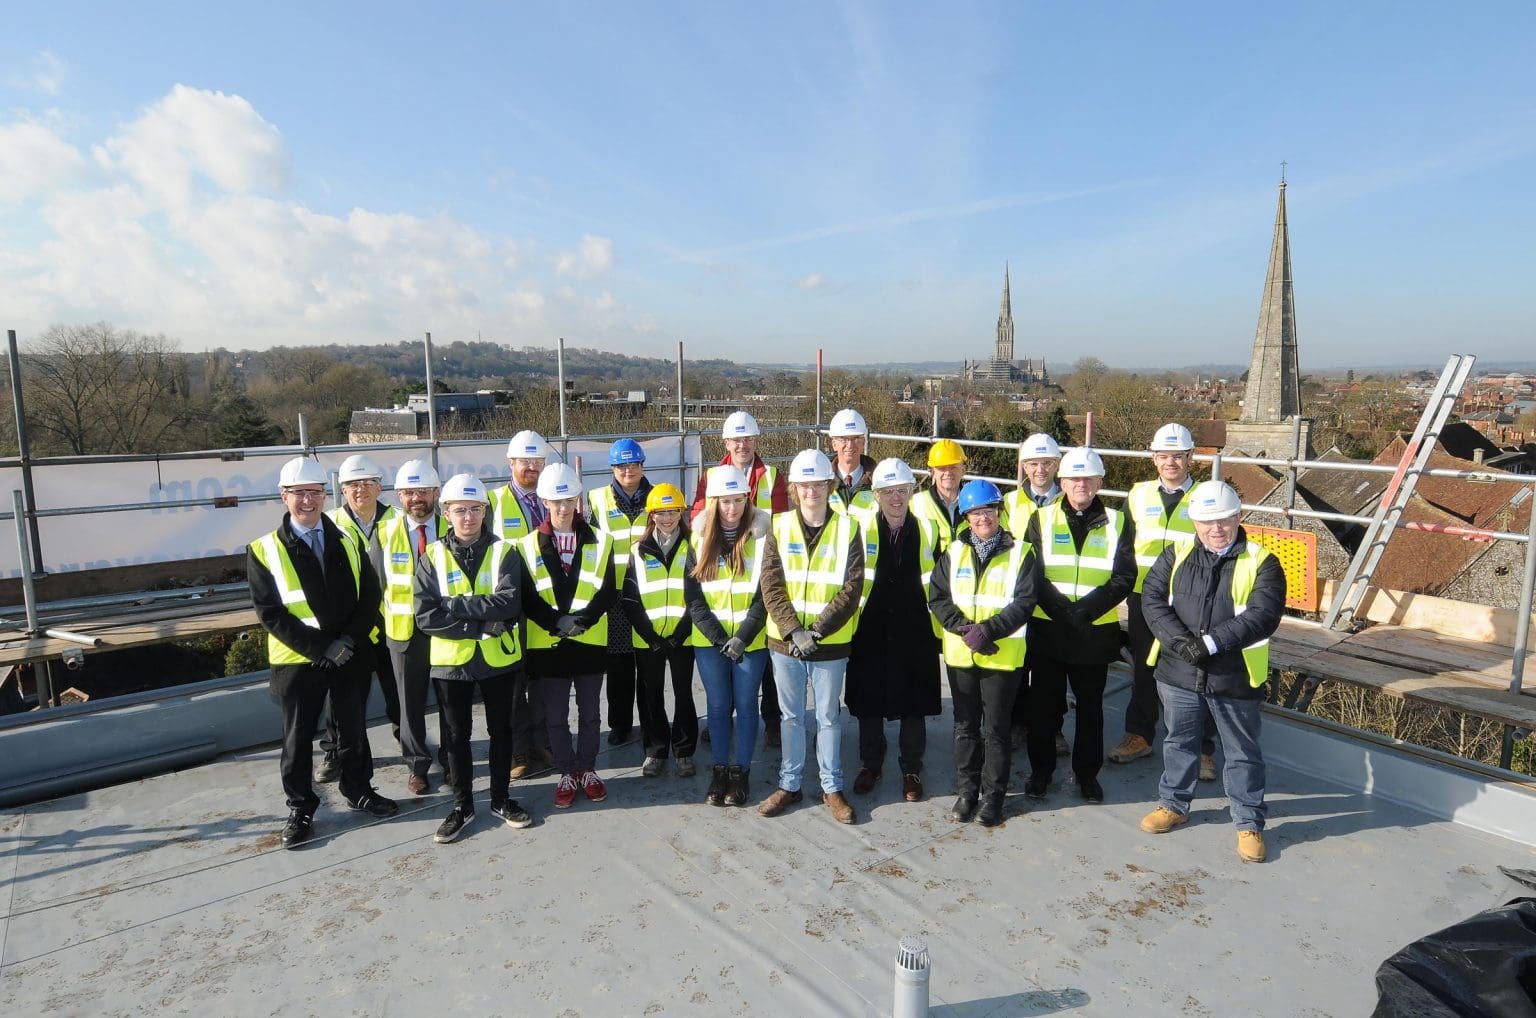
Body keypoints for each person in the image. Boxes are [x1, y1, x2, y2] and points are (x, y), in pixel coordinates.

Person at [248, 456, 397, 848]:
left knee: (353, 729)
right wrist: (323, 647)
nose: (308, 501)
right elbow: (271, 614)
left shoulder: (345, 540)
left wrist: (348, 639)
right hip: (299, 661)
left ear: (324, 495)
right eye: (299, 494)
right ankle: (300, 808)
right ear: (284, 496)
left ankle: (358, 789)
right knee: (297, 740)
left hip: (349, 655)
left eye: (315, 493)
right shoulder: (263, 550)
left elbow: (370, 595)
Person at [1138, 481, 1285, 863]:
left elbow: (1263, 616)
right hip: (1179, 672)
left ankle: (1249, 822)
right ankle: (1173, 804)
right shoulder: (1177, 553)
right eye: (1207, 521)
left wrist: (1210, 644)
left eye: (1223, 519)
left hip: (1233, 676)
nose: (1215, 528)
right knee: (1178, 742)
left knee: (1242, 752)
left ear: (1238, 516)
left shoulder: (1261, 561)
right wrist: (1179, 642)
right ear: (1195, 522)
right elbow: (1152, 599)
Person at [413, 473, 533, 843]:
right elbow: (425, 614)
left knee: (501, 732)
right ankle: (462, 805)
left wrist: (455, 604)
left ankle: (501, 798)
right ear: (446, 513)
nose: (468, 517)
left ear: (485, 511)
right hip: (452, 662)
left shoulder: (504, 552)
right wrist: (479, 628)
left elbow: (509, 601)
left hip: (498, 660)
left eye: (475, 509)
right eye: (460, 510)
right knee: (455, 737)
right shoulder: (432, 555)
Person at [1021, 447, 1136, 805]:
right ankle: (1040, 773)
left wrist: (1085, 611)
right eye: (1073, 478)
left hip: (1093, 632)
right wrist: (1062, 611)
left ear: (1100, 482)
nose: (1080, 484)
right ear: (1062, 481)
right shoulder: (1041, 519)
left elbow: (1124, 576)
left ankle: (1087, 775)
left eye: (1088, 478)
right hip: (1048, 630)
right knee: (1042, 709)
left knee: (1091, 710)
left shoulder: (1118, 522)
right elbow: (1031, 574)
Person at [756, 449, 864, 824]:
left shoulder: (849, 527)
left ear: (829, 486)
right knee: (790, 717)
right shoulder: (779, 526)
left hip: (829, 643)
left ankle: (831, 787)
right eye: (805, 485)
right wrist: (793, 630)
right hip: (785, 643)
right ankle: (790, 783)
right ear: (795, 488)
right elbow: (770, 582)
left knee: (829, 718)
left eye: (818, 484)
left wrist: (816, 631)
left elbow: (852, 587)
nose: (812, 492)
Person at [1109, 423, 1217, 781]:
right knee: (1143, 667)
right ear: (1153, 458)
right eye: (1164, 455)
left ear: (1191, 458)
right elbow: (1124, 546)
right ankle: (1140, 736)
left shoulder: (1206, 495)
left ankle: (1201, 749)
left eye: (1178, 455)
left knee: (1195, 670)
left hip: (1192, 600)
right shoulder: (1138, 495)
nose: (1171, 462)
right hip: (1145, 597)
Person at [928, 479, 1038, 828]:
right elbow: (938, 598)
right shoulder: (953, 552)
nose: (982, 518)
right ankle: (967, 793)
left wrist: (987, 631)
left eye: (988, 510)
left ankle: (993, 798)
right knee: (964, 727)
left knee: (996, 730)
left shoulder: (1022, 553)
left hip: (1001, 657)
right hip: (962, 656)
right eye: (975, 512)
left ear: (999, 512)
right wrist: (965, 630)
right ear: (965, 516)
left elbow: (1024, 602)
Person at [516, 463, 618, 810]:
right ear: (544, 501)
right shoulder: (526, 546)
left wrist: (583, 622)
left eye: (569, 500)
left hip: (588, 642)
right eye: (556, 501)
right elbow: (526, 596)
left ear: (578, 499)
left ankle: (586, 769)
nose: (563, 508)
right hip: (549, 645)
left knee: (590, 713)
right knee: (555, 716)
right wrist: (554, 623)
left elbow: (607, 591)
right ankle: (565, 771)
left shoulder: (602, 541)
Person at [690, 410, 789, 748]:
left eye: (748, 438)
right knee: (727, 672)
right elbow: (698, 515)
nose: (743, 444)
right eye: (736, 439)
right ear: (726, 442)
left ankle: (772, 721)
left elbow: (782, 519)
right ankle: (723, 718)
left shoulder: (771, 475)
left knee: (767, 657)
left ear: (756, 441)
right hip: (722, 559)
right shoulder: (711, 476)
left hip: (763, 562)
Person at [845, 458, 942, 803]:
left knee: (914, 701)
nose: (896, 498)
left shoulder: (929, 529)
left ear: (912, 492)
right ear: (876, 495)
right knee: (869, 699)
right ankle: (871, 764)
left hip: (916, 626)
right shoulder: (859, 528)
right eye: (888, 492)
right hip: (870, 626)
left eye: (902, 490)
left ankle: (911, 768)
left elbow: (942, 578)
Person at [685, 465, 771, 807]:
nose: (732, 508)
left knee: (748, 706)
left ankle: (741, 773)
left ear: (747, 500)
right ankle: (720, 770)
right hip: (710, 643)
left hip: (751, 641)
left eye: (738, 500)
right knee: (719, 707)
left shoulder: (763, 540)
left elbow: (766, 594)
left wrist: (743, 637)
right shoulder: (698, 540)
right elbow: (694, 598)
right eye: (725, 502)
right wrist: (722, 640)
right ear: (714, 503)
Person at [319, 454, 400, 782]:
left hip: (393, 622)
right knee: (341, 696)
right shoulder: (330, 522)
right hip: (352, 626)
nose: (361, 490)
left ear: (379, 487)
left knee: (399, 692)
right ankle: (334, 752)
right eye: (353, 484)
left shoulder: (399, 518)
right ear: (343, 489)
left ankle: (410, 746)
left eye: (367, 483)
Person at [379, 459, 452, 796]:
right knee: (409, 706)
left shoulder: (454, 529)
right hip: (404, 633)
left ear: (436, 493)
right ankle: (417, 767)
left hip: (446, 630)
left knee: (451, 701)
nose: (416, 498)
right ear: (399, 497)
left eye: (423, 490)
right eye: (409, 492)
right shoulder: (385, 533)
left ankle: (451, 761)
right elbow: (376, 584)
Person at [490, 429, 557, 779]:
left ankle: (542, 740)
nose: (531, 467)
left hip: (546, 602)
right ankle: (518, 750)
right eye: (525, 461)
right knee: (513, 683)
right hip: (511, 604)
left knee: (543, 680)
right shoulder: (494, 502)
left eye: (537, 461)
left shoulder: (555, 497)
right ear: (511, 463)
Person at [622, 483, 699, 778]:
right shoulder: (637, 551)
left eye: (673, 511)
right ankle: (655, 751)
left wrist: (679, 633)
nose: (667, 518)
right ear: (651, 515)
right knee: (651, 694)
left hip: (684, 636)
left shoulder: (694, 546)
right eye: (661, 512)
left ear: (681, 512)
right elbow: (630, 598)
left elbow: (699, 596)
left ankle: (683, 751)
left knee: (683, 693)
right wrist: (650, 637)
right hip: (647, 640)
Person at [1002, 433, 1068, 759]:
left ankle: (1052, 728)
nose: (1039, 469)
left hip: (1054, 597)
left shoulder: (1067, 503)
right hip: (1017, 595)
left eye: (1046, 463)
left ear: (1056, 465)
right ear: (1024, 466)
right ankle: (1017, 723)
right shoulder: (1010, 503)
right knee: (1017, 665)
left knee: (1051, 670)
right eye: (1033, 463)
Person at [588, 438, 652, 747]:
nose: (628, 471)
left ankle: (651, 723)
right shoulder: (599, 500)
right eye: (622, 466)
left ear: (642, 466)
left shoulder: (657, 499)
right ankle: (620, 724)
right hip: (613, 597)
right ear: (613, 468)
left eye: (634, 465)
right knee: (619, 665)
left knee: (648, 664)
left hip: (649, 595)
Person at [909, 439, 968, 546]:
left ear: (963, 470)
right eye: (942, 468)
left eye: (953, 467)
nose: (948, 473)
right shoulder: (916, 504)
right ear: (932, 472)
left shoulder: (975, 503)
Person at [826, 408, 877, 522]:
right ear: (834, 444)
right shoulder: (823, 482)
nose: (850, 445)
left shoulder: (878, 481)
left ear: (863, 442)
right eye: (844, 439)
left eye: (856, 439)